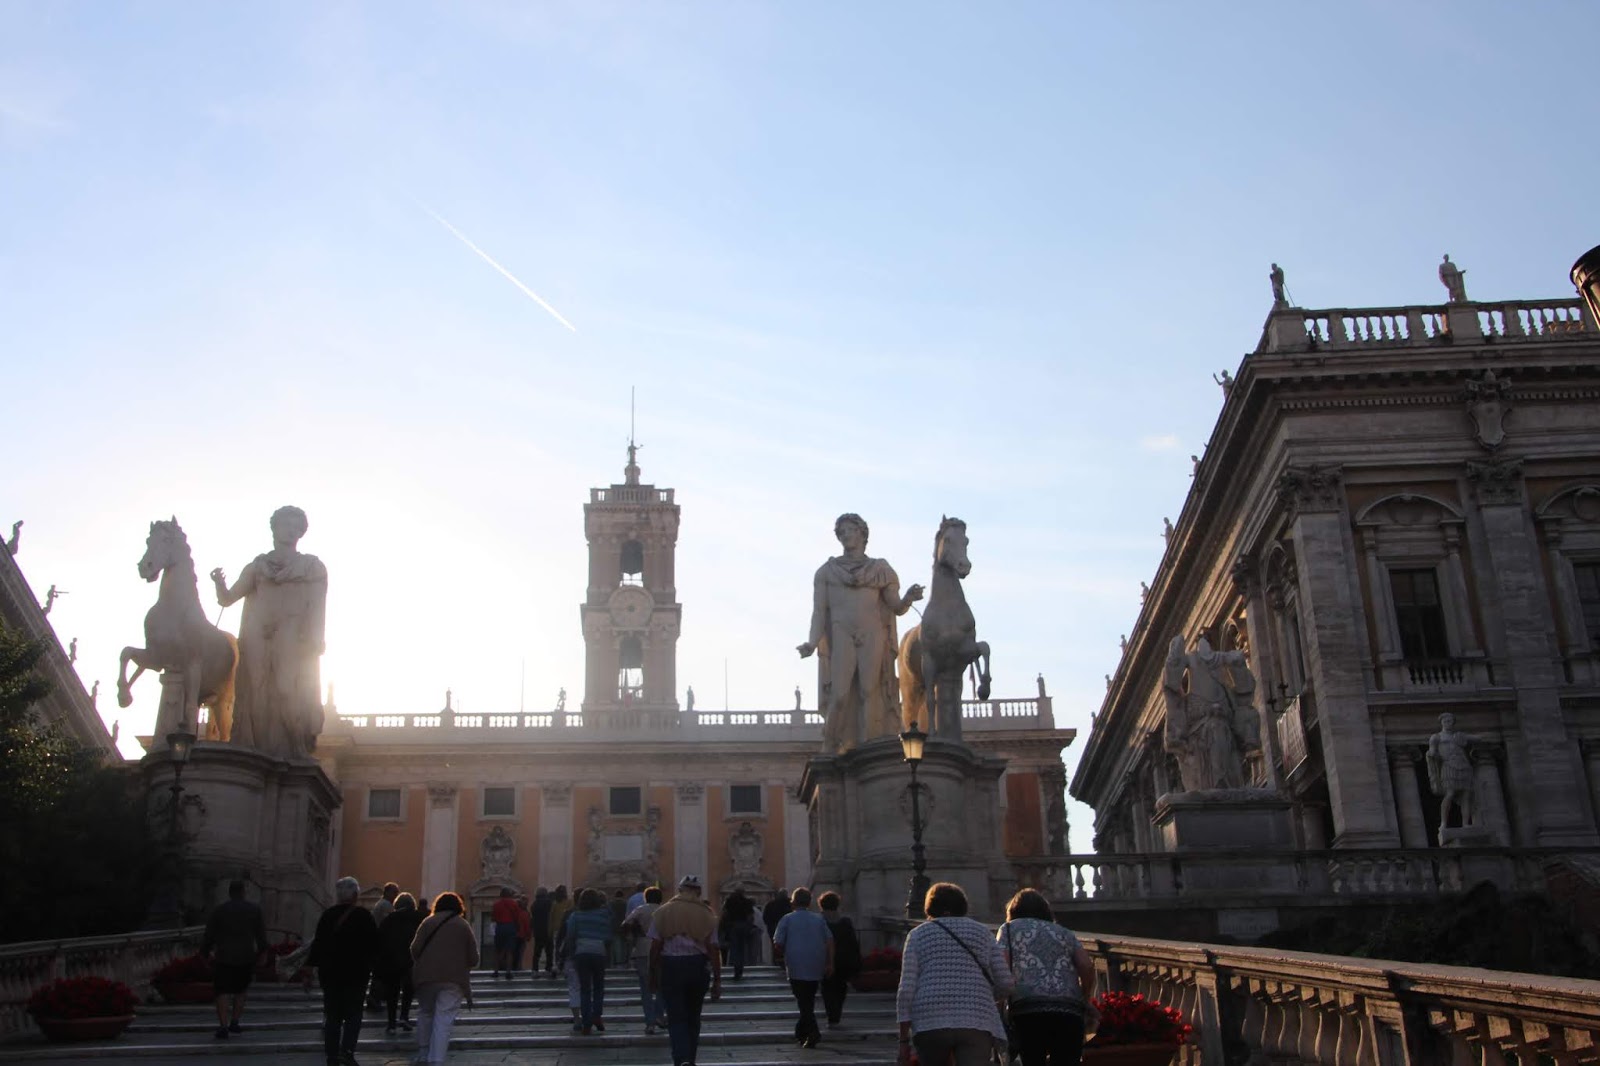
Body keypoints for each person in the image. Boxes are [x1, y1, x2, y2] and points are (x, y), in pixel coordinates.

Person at [209, 504, 328, 758]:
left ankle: (295, 747)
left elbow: (318, 606)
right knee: (254, 689)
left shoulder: (311, 566)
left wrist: (316, 638)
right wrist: (219, 584)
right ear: (274, 528)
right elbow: (228, 599)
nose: (290, 531)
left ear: (301, 533)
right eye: (285, 524)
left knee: (288, 689)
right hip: (256, 632)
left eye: (296, 527)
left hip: (291, 631)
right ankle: (252, 749)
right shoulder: (258, 565)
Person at [797, 513, 924, 752]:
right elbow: (819, 613)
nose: (845, 535)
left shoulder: (881, 569)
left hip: (872, 632)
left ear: (863, 534)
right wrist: (812, 643)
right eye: (841, 532)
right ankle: (830, 746)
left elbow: (895, 606)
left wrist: (908, 597)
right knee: (840, 693)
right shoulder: (827, 572)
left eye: (850, 530)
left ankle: (869, 748)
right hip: (841, 631)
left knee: (870, 690)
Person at [896, 881, 1014, 1066]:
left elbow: (906, 990)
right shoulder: (983, 933)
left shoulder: (918, 935)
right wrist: (986, 996)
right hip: (977, 1018)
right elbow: (1006, 983)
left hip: (929, 1019)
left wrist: (903, 1040)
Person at [996, 888, 1096, 1066]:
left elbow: (1001, 967)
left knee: (1032, 1059)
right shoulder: (1064, 932)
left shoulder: (1009, 929)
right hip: (1068, 1009)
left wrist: (1001, 1005)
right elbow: (1086, 966)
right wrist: (1084, 997)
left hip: (1027, 1009)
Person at [649, 874, 722, 1066]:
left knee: (675, 1016)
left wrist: (652, 973)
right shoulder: (707, 914)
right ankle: (690, 1057)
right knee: (693, 1015)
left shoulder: (663, 912)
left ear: (680, 890)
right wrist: (717, 979)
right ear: (698, 891)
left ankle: (681, 1057)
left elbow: (655, 946)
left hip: (671, 966)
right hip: (697, 966)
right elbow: (713, 949)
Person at [308, 876, 380, 1066]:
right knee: (353, 1015)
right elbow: (374, 946)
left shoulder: (327, 915)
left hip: (330, 974)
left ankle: (331, 1055)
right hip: (356, 974)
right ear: (356, 895)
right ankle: (347, 1051)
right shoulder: (364, 916)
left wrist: (309, 970)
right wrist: (373, 968)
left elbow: (318, 944)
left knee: (332, 1015)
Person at [411, 891, 478, 1066]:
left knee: (425, 1013)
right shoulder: (463, 925)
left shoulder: (427, 922)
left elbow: (415, 949)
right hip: (453, 979)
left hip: (426, 977)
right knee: (444, 1018)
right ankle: (436, 1060)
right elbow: (474, 958)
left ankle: (423, 1053)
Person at [202, 879, 268, 1040]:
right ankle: (235, 1022)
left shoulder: (219, 911)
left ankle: (223, 1026)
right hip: (246, 956)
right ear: (244, 892)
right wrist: (262, 954)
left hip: (224, 956)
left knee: (221, 991)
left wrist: (204, 953)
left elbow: (209, 935)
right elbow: (261, 936)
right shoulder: (254, 910)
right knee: (241, 990)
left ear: (230, 893)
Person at [772, 887, 833, 1049]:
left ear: (793, 902)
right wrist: (829, 962)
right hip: (816, 963)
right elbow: (830, 941)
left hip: (795, 964)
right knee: (808, 999)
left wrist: (780, 955)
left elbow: (778, 943)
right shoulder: (819, 920)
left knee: (803, 1000)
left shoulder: (787, 919)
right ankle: (801, 1032)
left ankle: (813, 1032)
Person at [565, 887, 613, 1034]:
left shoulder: (576, 916)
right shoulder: (604, 916)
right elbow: (608, 936)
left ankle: (586, 1023)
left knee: (585, 989)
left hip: (582, 952)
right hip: (599, 952)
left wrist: (571, 954)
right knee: (599, 987)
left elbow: (570, 936)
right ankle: (597, 1015)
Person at [376, 893, 424, 1035]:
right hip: (411, 960)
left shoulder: (389, 919)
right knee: (408, 990)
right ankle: (404, 1016)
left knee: (392, 992)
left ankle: (391, 1023)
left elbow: (380, 941)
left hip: (392, 961)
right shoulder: (419, 918)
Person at [623, 886, 667, 1033]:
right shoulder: (665, 910)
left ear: (646, 897)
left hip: (642, 947)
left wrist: (636, 931)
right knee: (662, 985)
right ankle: (659, 1015)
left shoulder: (640, 910)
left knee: (645, 987)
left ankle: (649, 1022)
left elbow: (625, 924)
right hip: (662, 948)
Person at [818, 891, 861, 1029]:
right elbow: (853, 943)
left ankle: (832, 1015)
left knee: (827, 988)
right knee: (841, 987)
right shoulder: (845, 921)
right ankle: (836, 1014)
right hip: (844, 960)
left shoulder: (819, 922)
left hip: (826, 960)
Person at [367, 883, 400, 1010]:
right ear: (387, 893)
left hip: (378, 943)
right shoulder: (386, 905)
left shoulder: (381, 904)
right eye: (394, 893)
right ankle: (375, 999)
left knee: (379, 973)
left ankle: (375, 998)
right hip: (382, 944)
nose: (396, 895)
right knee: (381, 974)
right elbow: (390, 923)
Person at [719, 888, 757, 979]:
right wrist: (750, 927)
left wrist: (723, 928)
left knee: (735, 949)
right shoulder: (747, 902)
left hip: (733, 927)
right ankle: (740, 969)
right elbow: (750, 916)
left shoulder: (729, 902)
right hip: (743, 926)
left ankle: (736, 968)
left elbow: (725, 914)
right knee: (742, 949)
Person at [491, 887, 519, 979]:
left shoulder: (496, 905)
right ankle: (508, 971)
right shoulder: (514, 904)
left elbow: (493, 917)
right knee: (509, 951)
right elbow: (516, 917)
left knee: (497, 950)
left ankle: (496, 970)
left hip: (499, 927)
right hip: (510, 926)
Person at [547, 885, 573, 977]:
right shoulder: (570, 902)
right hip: (566, 928)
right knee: (566, 949)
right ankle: (565, 967)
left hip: (556, 929)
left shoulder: (555, 904)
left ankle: (556, 966)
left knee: (556, 948)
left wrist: (549, 931)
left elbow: (551, 918)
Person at [529, 887, 554, 977]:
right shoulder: (549, 903)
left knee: (537, 952)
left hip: (538, 931)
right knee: (549, 951)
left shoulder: (534, 905)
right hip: (547, 930)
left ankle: (535, 970)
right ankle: (548, 969)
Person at [762, 888, 791, 955]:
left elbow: (765, 917)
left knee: (775, 945)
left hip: (773, 927)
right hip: (788, 928)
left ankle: (776, 960)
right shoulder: (790, 904)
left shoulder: (770, 905)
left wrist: (769, 925)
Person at [609, 889, 630, 966]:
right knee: (624, 944)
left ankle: (616, 960)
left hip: (614, 926)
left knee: (615, 944)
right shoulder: (626, 903)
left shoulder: (611, 904)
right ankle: (623, 960)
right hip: (624, 926)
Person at [513, 895, 532, 973]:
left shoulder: (515, 912)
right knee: (520, 952)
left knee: (515, 952)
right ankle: (518, 967)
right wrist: (528, 935)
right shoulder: (525, 913)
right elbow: (527, 925)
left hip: (515, 935)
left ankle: (515, 966)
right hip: (521, 935)